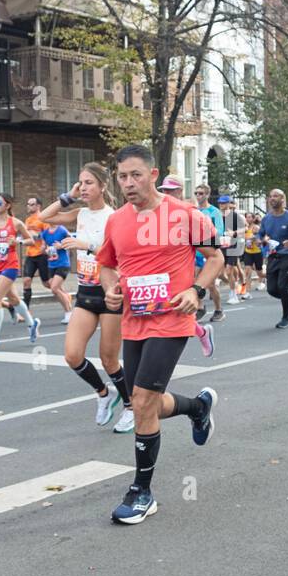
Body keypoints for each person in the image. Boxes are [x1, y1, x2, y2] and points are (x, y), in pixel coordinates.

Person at [96, 145, 221, 524]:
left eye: (136, 175)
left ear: (153, 175)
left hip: (172, 318)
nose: (128, 183)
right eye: (122, 176)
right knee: (141, 402)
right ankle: (198, 408)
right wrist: (110, 288)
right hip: (134, 319)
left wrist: (196, 291)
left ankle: (142, 492)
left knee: (144, 400)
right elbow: (106, 265)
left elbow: (215, 257)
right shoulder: (116, 221)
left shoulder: (184, 215)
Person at [39, 163, 135, 434]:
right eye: (80, 183)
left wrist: (87, 246)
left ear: (103, 186)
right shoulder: (79, 213)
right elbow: (44, 218)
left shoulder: (114, 216)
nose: (83, 187)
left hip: (109, 292)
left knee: (109, 359)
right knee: (72, 355)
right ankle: (103, 393)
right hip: (84, 291)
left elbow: (120, 253)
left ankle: (130, 407)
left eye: (89, 183)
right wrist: (67, 197)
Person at [0, 193, 38, 348]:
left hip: (10, 266)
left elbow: (31, 240)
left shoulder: (15, 223)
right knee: (14, 300)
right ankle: (32, 325)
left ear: (7, 205)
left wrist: (18, 241)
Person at [256, 188, 288, 328]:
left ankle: (286, 317)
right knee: (272, 290)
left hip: (287, 257)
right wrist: (259, 240)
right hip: (272, 256)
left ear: (283, 199)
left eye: (276, 196)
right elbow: (260, 234)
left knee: (283, 287)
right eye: (271, 196)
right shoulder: (267, 218)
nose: (272, 198)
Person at [192, 184, 225, 322]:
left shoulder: (214, 212)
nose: (198, 196)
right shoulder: (193, 211)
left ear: (207, 195)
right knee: (193, 282)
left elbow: (219, 232)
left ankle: (219, 310)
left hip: (209, 253)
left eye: (201, 193)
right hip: (196, 253)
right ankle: (200, 307)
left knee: (210, 284)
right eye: (196, 193)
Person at [219, 196, 247, 305]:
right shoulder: (217, 216)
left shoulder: (234, 216)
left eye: (223, 203)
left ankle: (233, 294)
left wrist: (234, 233)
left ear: (228, 204)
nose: (221, 205)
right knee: (220, 273)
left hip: (233, 246)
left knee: (229, 271)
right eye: (220, 203)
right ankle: (235, 286)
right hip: (221, 245)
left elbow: (245, 228)